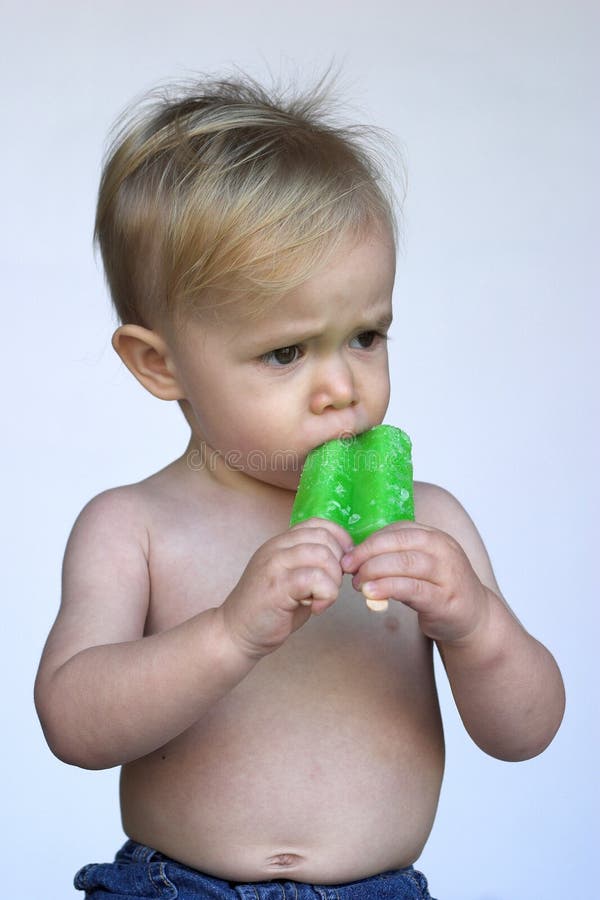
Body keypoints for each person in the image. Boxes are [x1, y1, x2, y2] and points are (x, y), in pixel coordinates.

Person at [34, 73, 565, 900]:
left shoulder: (433, 522)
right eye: (286, 353)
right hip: (178, 886)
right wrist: (228, 634)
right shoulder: (134, 526)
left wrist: (476, 627)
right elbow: (73, 725)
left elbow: (527, 732)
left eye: (364, 335)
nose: (341, 388)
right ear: (160, 363)